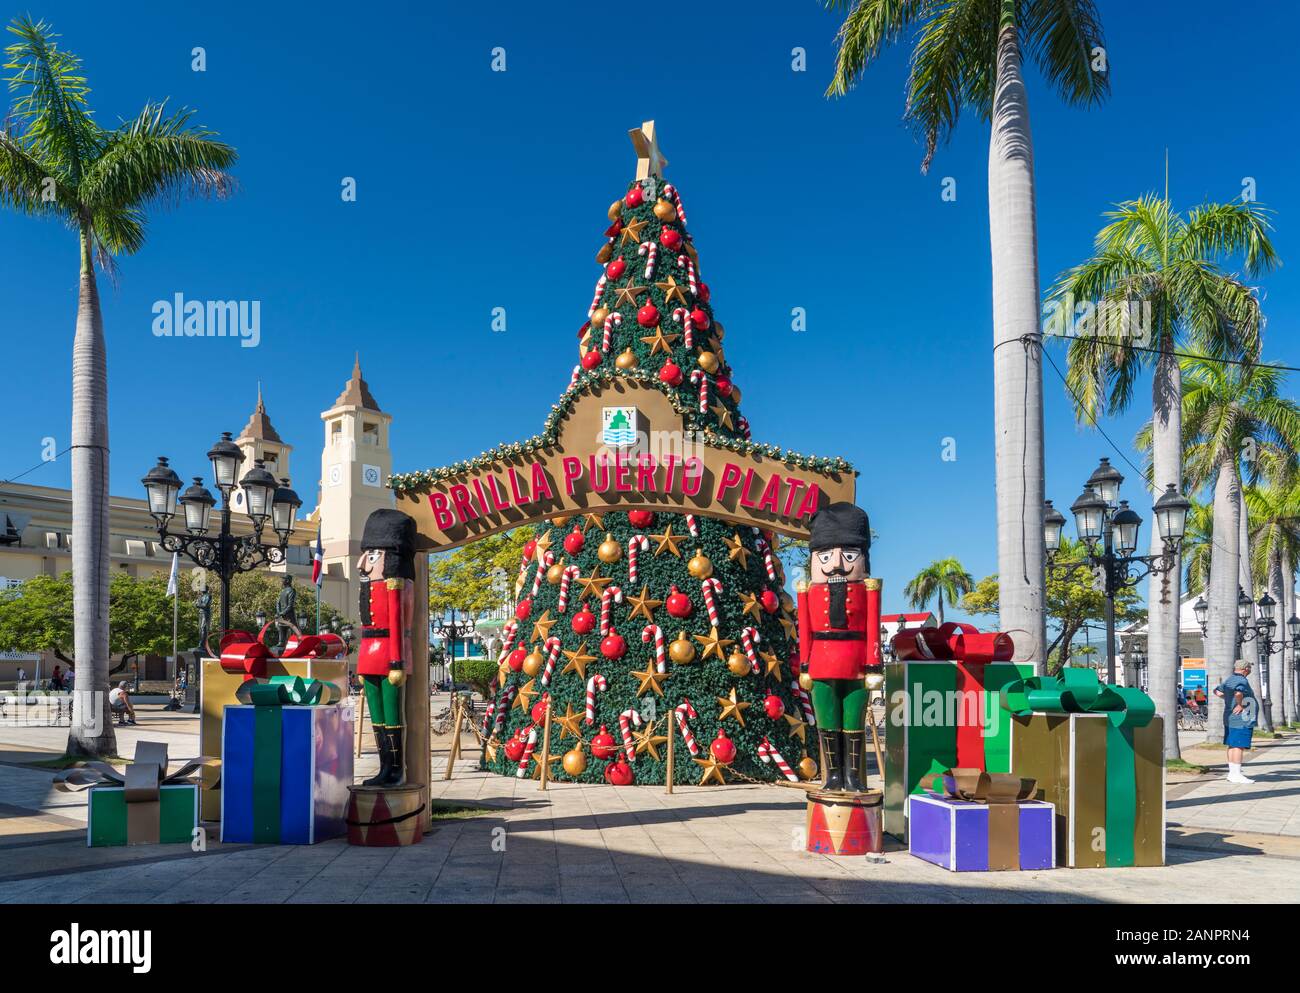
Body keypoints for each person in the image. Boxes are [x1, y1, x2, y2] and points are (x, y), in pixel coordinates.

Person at [796, 501, 880, 792]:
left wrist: (873, 665)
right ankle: (833, 776)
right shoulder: (807, 592)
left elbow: (873, 632)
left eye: (848, 555)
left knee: (854, 722)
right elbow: (804, 632)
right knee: (827, 722)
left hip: (857, 665)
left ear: (863, 559)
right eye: (825, 555)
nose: (837, 565)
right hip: (820, 664)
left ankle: (853, 777)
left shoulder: (868, 590)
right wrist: (804, 666)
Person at [1214, 661, 1257, 784]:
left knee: (1232, 745)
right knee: (1239, 745)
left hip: (1230, 717)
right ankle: (1236, 774)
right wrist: (1239, 704)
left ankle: (1232, 773)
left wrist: (1229, 699)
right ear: (1246, 669)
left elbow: (1217, 691)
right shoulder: (1242, 681)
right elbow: (1238, 692)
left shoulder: (1229, 679)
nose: (1249, 670)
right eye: (1249, 668)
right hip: (1241, 719)